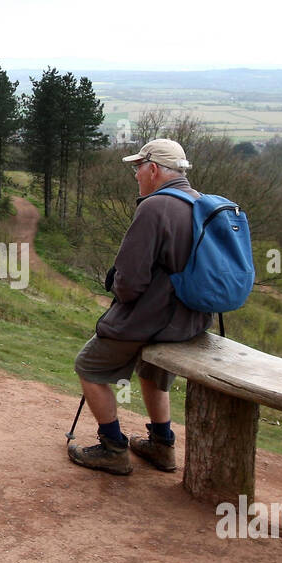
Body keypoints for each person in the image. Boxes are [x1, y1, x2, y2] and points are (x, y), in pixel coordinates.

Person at [68, 139, 212, 476]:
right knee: (152, 374)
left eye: (138, 167)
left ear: (154, 169)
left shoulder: (155, 207)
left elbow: (130, 283)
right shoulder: (200, 202)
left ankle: (113, 448)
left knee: (88, 366)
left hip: (152, 318)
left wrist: (117, 291)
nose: (135, 175)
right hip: (190, 321)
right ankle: (162, 444)